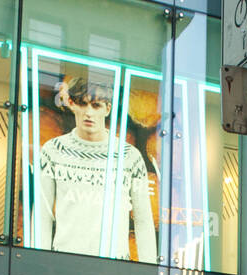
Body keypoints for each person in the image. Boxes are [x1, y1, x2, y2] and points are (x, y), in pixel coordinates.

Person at [36, 74, 157, 262]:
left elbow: (144, 222)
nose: (89, 113)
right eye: (82, 104)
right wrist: (39, 263)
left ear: (107, 109)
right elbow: (42, 215)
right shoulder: (53, 151)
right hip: (65, 260)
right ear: (71, 104)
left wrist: (148, 272)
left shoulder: (129, 156)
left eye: (96, 105)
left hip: (114, 264)